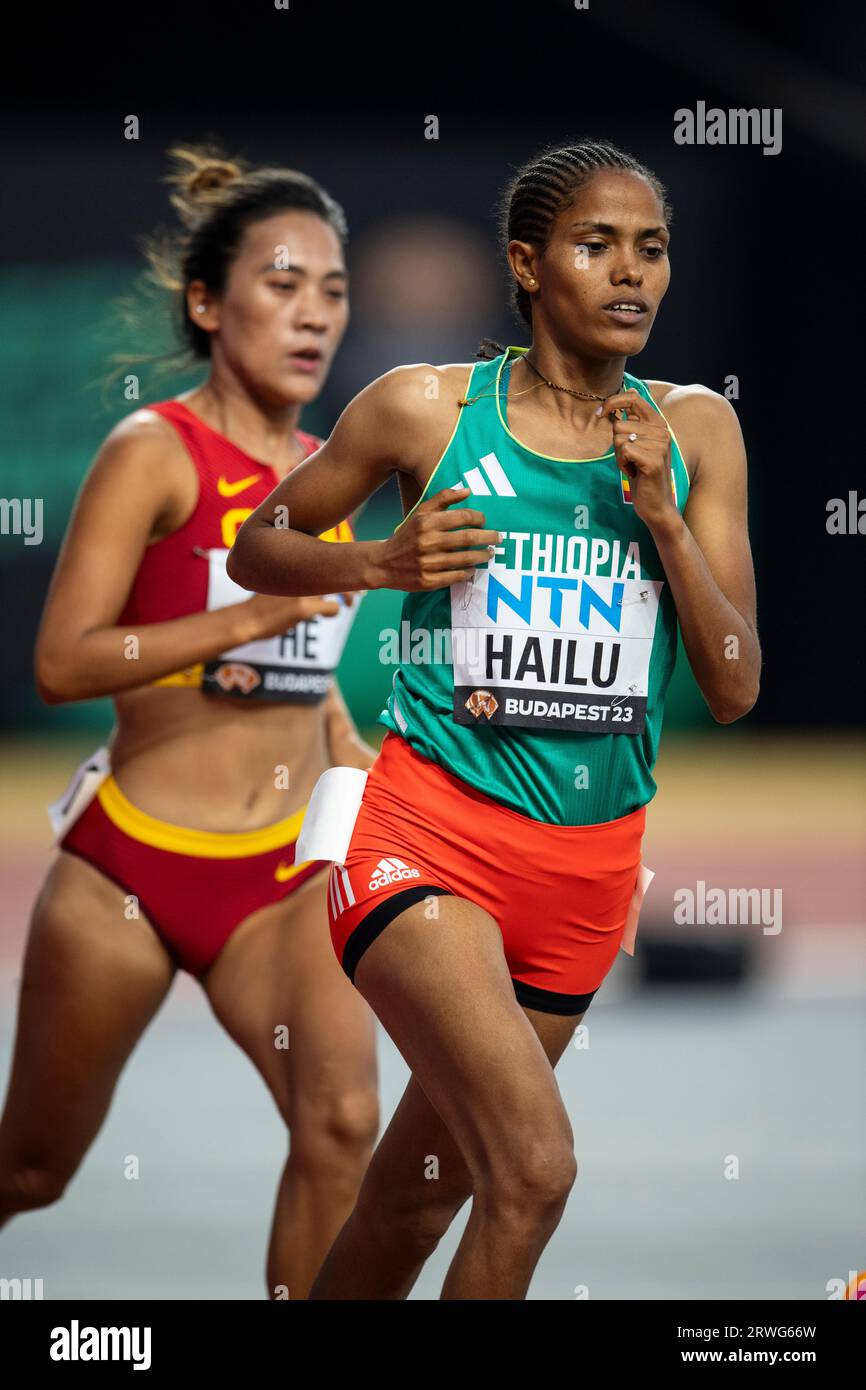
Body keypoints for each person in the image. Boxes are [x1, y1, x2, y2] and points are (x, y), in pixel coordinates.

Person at [227, 138, 761, 1300]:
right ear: (526, 265)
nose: (631, 273)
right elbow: (255, 542)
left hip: (585, 876)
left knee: (417, 1195)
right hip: (427, 839)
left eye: (651, 249)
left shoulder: (694, 432)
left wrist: (665, 525)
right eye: (595, 245)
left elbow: (732, 684)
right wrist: (378, 557)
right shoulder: (421, 410)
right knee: (532, 1168)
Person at [0, 146, 380, 1300]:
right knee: (30, 1170)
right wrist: (238, 620)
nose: (312, 314)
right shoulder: (154, 452)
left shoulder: (327, 476)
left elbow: (311, 680)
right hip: (131, 873)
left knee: (343, 1121)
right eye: (280, 283)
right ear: (208, 304)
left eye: (331, 287)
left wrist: (365, 764)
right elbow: (63, 662)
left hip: (278, 879)